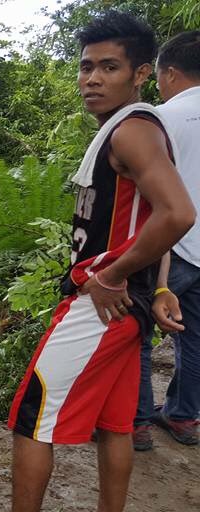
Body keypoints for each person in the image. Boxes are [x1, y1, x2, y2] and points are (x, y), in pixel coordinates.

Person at [0, 11, 195, 512]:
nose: (92, 78)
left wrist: (112, 276)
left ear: (141, 73)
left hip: (99, 305)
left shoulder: (132, 130)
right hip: (126, 305)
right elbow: (155, 218)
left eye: (109, 67)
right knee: (114, 422)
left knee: (32, 414)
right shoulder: (130, 128)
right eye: (86, 67)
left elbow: (179, 214)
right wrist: (153, 286)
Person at [136, 30, 200, 450]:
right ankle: (183, 416)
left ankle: (136, 421)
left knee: (134, 330)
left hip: (171, 246)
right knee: (195, 335)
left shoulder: (158, 120)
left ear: (170, 74)